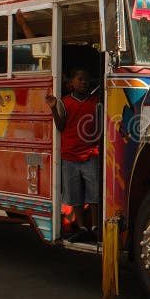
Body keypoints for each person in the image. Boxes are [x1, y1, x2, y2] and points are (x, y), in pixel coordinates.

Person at [46, 67, 101, 243]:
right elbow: (60, 126)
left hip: (90, 153)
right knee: (74, 193)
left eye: (86, 79)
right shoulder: (65, 102)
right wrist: (53, 108)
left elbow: (100, 126)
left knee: (94, 192)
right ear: (71, 83)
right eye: (80, 79)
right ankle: (82, 227)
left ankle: (95, 226)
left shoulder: (96, 102)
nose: (84, 82)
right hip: (69, 155)